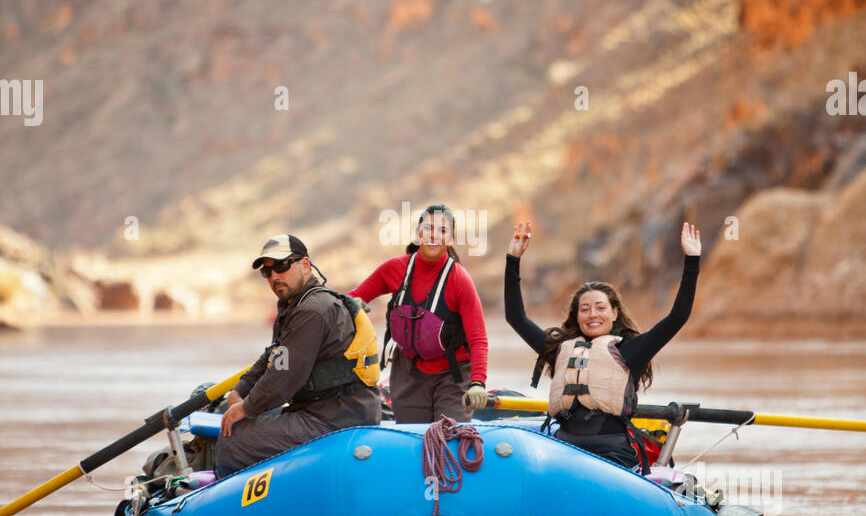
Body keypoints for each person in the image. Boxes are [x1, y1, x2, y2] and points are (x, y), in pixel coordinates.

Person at [504, 220, 702, 470]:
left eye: (600, 308)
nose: (593, 315)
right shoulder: (559, 349)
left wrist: (692, 261)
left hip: (612, 453)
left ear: (614, 313)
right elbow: (516, 317)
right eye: (585, 309)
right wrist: (513, 259)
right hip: (563, 449)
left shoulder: (630, 351)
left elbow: (678, 317)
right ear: (577, 316)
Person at [215, 234, 381, 477]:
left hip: (338, 416)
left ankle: (236, 497)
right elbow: (273, 357)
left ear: (305, 265)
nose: (274, 276)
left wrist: (246, 407)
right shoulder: (294, 306)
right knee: (234, 418)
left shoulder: (313, 310)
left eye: (282, 265)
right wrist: (238, 391)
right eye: (267, 271)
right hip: (320, 410)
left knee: (234, 440)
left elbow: (283, 377)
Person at [349, 204, 488, 423]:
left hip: (452, 375)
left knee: (447, 435)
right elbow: (353, 298)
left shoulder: (459, 279)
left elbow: (478, 339)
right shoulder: (394, 268)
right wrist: (351, 305)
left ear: (451, 239)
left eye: (443, 230)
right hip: (408, 372)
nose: (434, 235)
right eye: (428, 228)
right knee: (412, 437)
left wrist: (478, 382)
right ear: (417, 233)